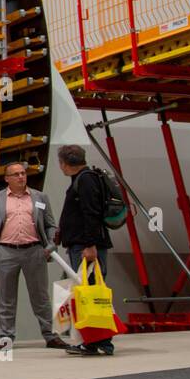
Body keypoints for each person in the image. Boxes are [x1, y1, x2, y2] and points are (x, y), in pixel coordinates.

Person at [0, 161, 72, 351]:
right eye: (16, 174)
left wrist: (49, 246)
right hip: (5, 252)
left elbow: (51, 225)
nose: (21, 177)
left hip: (35, 251)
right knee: (6, 297)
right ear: (7, 178)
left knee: (41, 297)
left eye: (23, 173)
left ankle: (51, 336)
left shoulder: (39, 197)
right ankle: (6, 337)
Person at [55, 144, 115, 356]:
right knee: (88, 294)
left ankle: (100, 342)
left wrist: (90, 246)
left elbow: (91, 214)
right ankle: (94, 341)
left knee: (91, 294)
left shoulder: (86, 179)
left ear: (64, 163)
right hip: (82, 244)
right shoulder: (83, 178)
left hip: (86, 246)